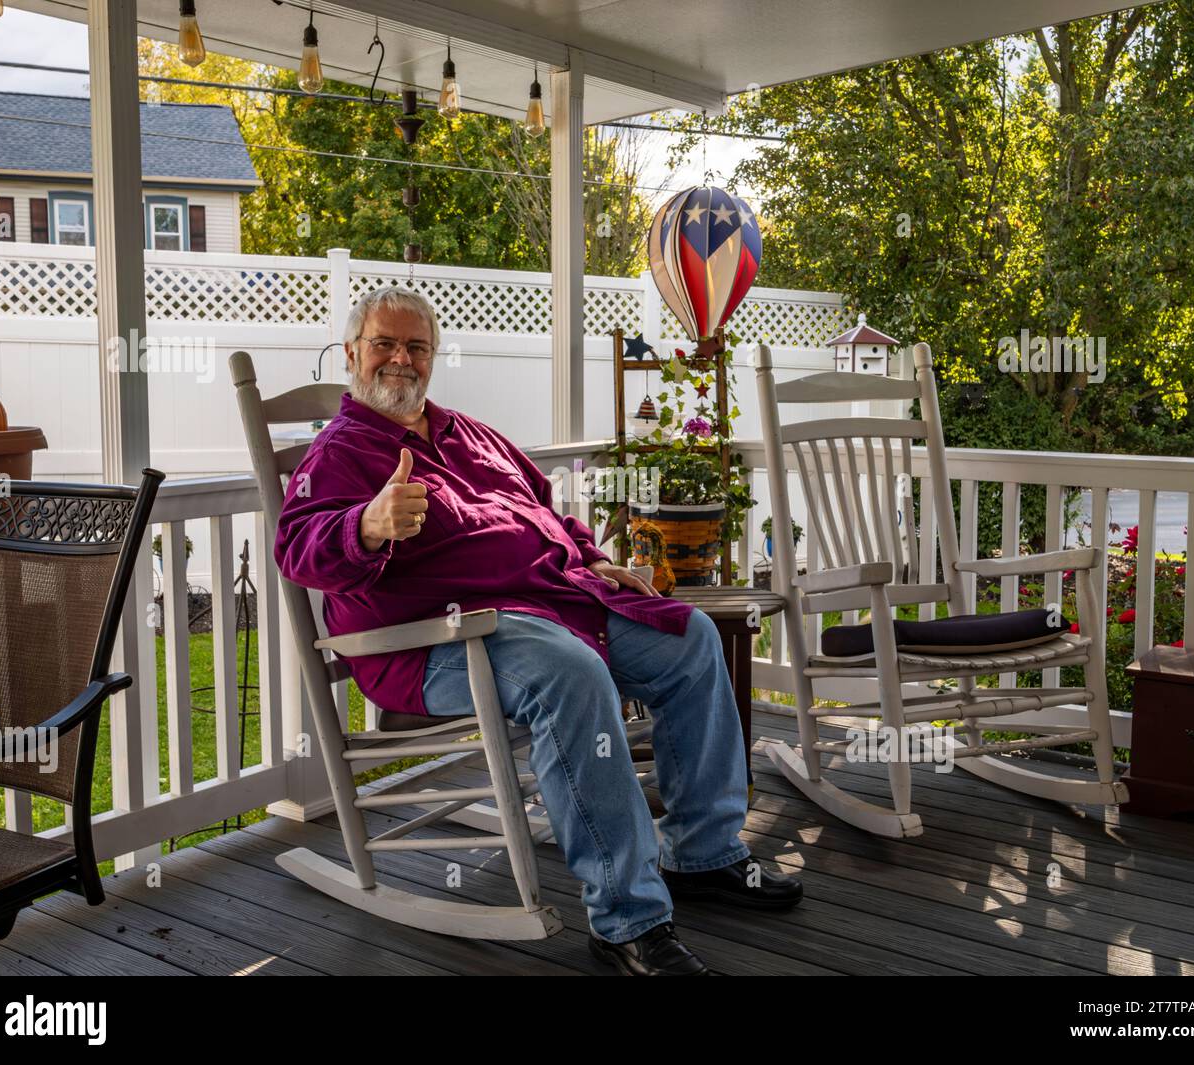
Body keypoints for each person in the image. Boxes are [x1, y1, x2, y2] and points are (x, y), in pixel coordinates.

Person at [275, 287, 802, 975]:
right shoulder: (340, 452)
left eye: (416, 347)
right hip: (434, 640)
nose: (400, 359)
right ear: (352, 353)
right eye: (384, 344)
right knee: (572, 674)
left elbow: (547, 512)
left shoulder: (469, 433)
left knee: (691, 639)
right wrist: (367, 524)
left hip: (556, 602)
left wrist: (596, 559)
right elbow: (297, 544)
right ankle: (628, 920)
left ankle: (703, 852)